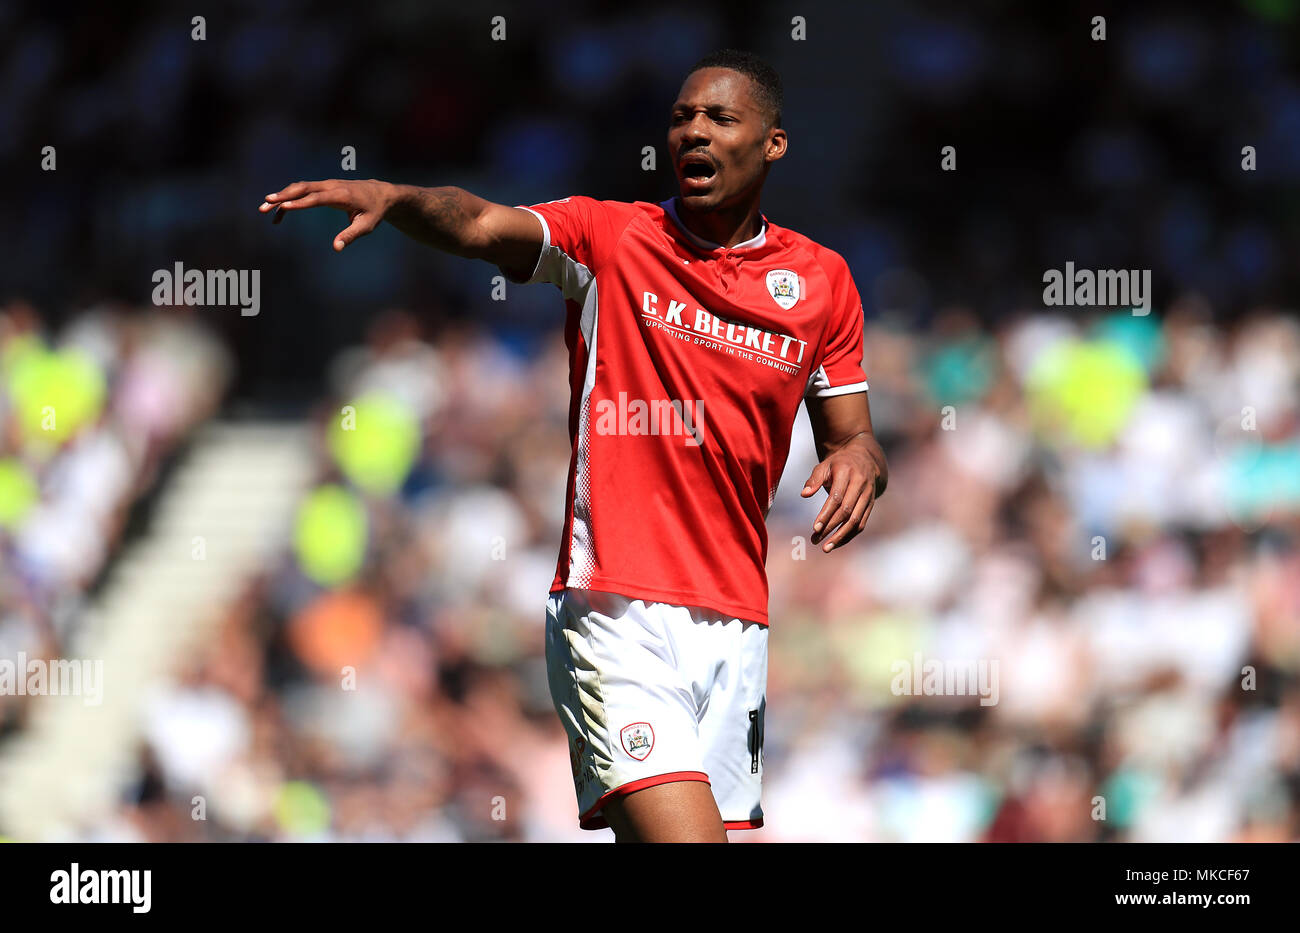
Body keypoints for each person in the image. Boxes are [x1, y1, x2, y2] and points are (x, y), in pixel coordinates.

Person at [259, 48, 888, 843]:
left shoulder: (823, 281)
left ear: (773, 143)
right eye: (681, 117)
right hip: (614, 608)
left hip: (736, 619)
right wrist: (397, 197)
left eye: (720, 118)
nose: (694, 130)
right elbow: (485, 224)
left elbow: (852, 432)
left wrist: (862, 458)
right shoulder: (612, 238)